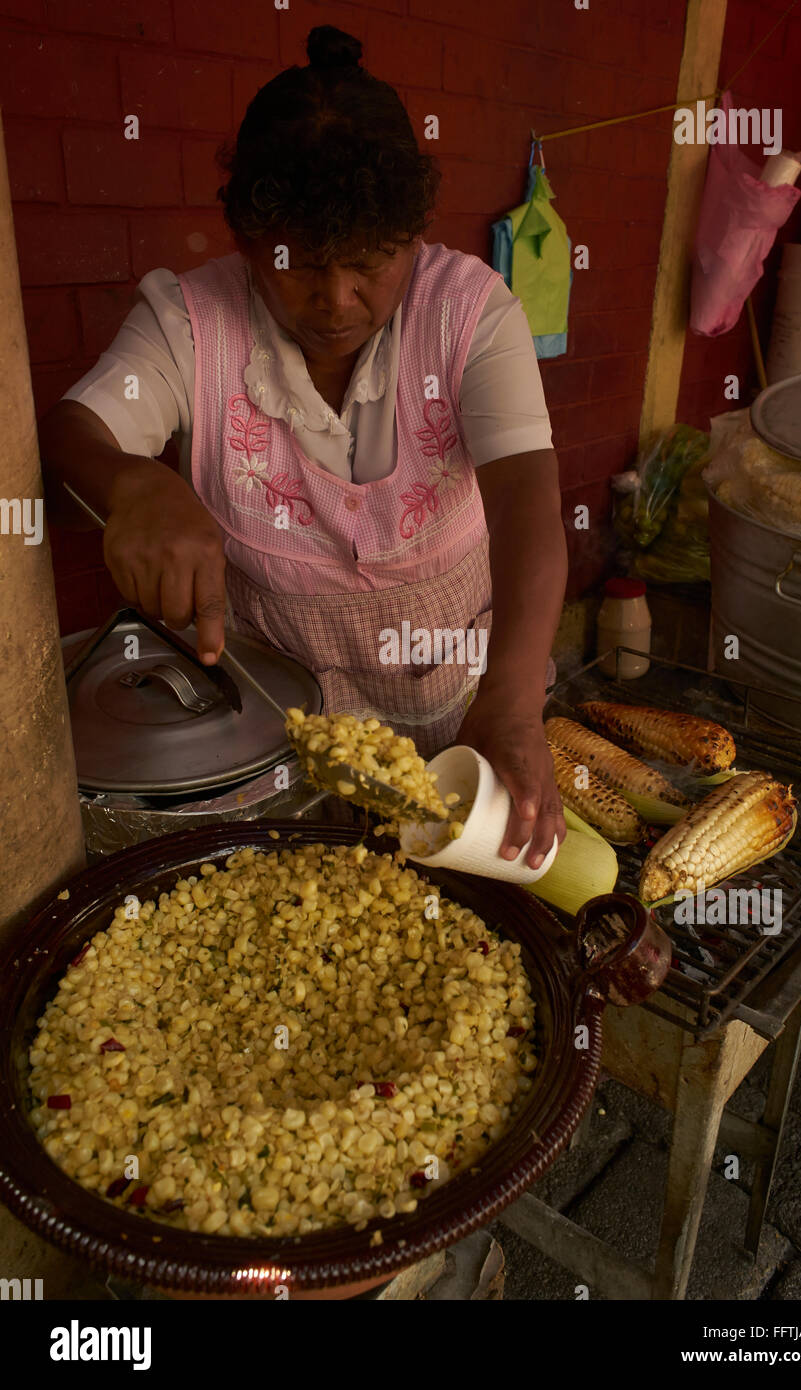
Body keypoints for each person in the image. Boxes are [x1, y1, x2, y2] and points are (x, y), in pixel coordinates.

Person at [40, 25, 567, 868]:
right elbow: (72, 432)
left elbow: (527, 499)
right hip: (282, 750)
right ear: (248, 242)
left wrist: (510, 700)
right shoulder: (191, 324)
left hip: (470, 716)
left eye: (370, 263)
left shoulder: (468, 312)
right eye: (300, 265)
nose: (336, 298)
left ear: (413, 240)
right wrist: (133, 484)